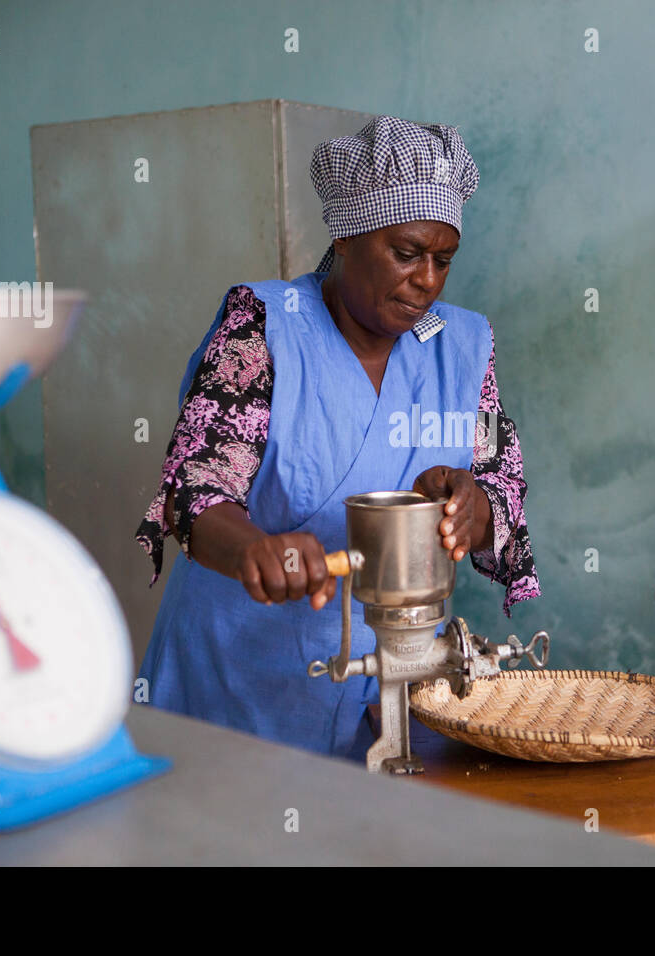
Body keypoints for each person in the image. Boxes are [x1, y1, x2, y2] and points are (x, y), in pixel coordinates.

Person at [133, 115, 540, 759]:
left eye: (443, 259)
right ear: (347, 238)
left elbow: (502, 488)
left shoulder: (460, 347)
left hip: (396, 684)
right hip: (240, 687)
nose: (427, 279)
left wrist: (473, 505)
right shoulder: (265, 328)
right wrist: (253, 552)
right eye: (406, 254)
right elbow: (196, 484)